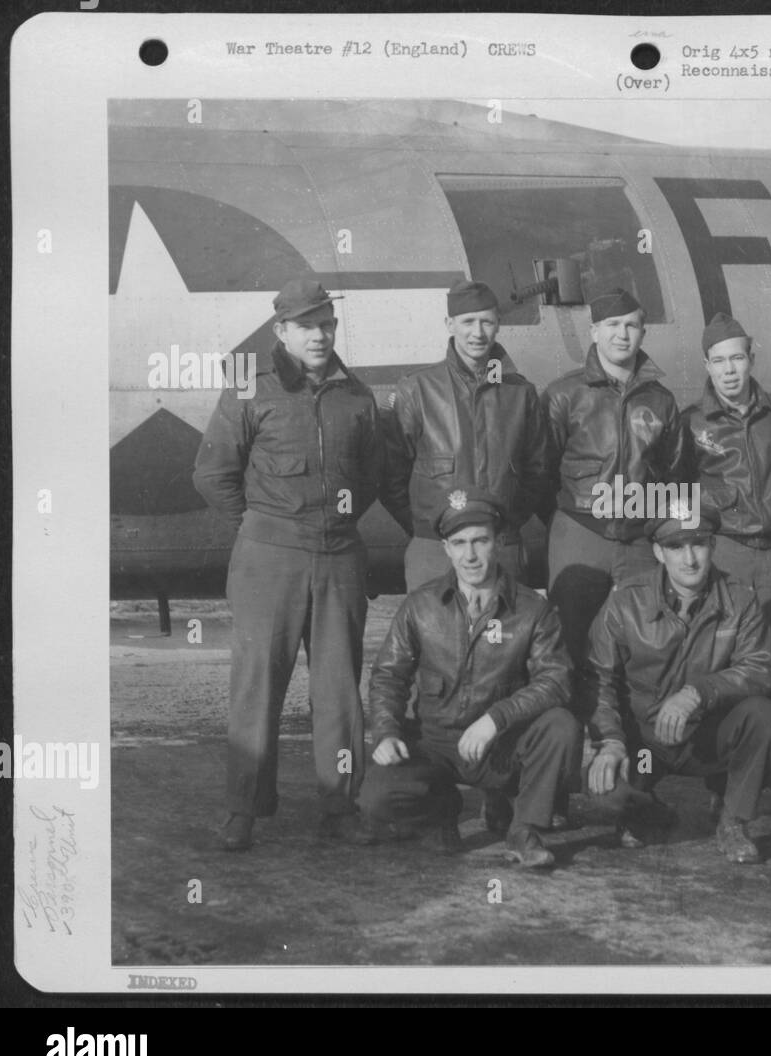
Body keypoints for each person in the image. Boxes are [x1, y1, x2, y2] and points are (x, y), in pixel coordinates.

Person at [193, 278, 384, 851]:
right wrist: (261, 526)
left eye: (327, 323)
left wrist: (329, 523)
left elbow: (369, 477)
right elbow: (212, 474)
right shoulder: (252, 390)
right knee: (257, 684)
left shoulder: (358, 396)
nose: (320, 334)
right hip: (269, 559)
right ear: (282, 331)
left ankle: (340, 807)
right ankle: (242, 810)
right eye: (307, 325)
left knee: (340, 690)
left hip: (339, 558)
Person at [356, 490, 580, 869]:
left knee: (562, 726)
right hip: (436, 744)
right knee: (375, 798)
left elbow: (556, 680)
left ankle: (524, 830)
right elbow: (387, 676)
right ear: (445, 548)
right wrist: (386, 733)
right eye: (459, 543)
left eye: (480, 541)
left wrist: (496, 718)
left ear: (497, 542)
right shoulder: (421, 606)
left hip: (501, 748)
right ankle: (442, 813)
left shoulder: (532, 609)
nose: (470, 555)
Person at [583, 501, 771, 865]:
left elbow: (761, 667)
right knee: (607, 792)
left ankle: (733, 821)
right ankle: (647, 809)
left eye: (699, 544)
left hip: (705, 738)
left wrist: (698, 692)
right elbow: (598, 679)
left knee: (762, 714)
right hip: (645, 742)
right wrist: (611, 741)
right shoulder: (625, 602)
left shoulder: (740, 599)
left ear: (713, 546)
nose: (689, 559)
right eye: (676, 547)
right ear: (659, 552)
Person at [541, 287, 690, 721]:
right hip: (581, 531)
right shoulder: (564, 394)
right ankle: (565, 759)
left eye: (631, 326)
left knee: (643, 645)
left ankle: (635, 772)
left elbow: (676, 475)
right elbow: (540, 468)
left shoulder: (660, 400)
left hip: (640, 539)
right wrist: (572, 516)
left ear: (643, 332)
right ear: (594, 331)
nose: (621, 335)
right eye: (611, 325)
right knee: (568, 643)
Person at [381, 279, 548, 591]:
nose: (478, 333)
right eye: (468, 322)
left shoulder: (520, 393)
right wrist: (426, 527)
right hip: (434, 550)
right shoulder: (417, 389)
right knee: (434, 635)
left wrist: (506, 522)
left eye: (487, 321)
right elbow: (390, 473)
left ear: (498, 325)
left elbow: (537, 471)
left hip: (501, 547)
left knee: (502, 637)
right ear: (450, 324)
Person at [682, 312, 771, 629]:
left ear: (751, 360)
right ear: (706, 365)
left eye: (737, 358)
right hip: (726, 552)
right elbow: (679, 492)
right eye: (718, 361)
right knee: (725, 644)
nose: (728, 370)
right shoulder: (691, 422)